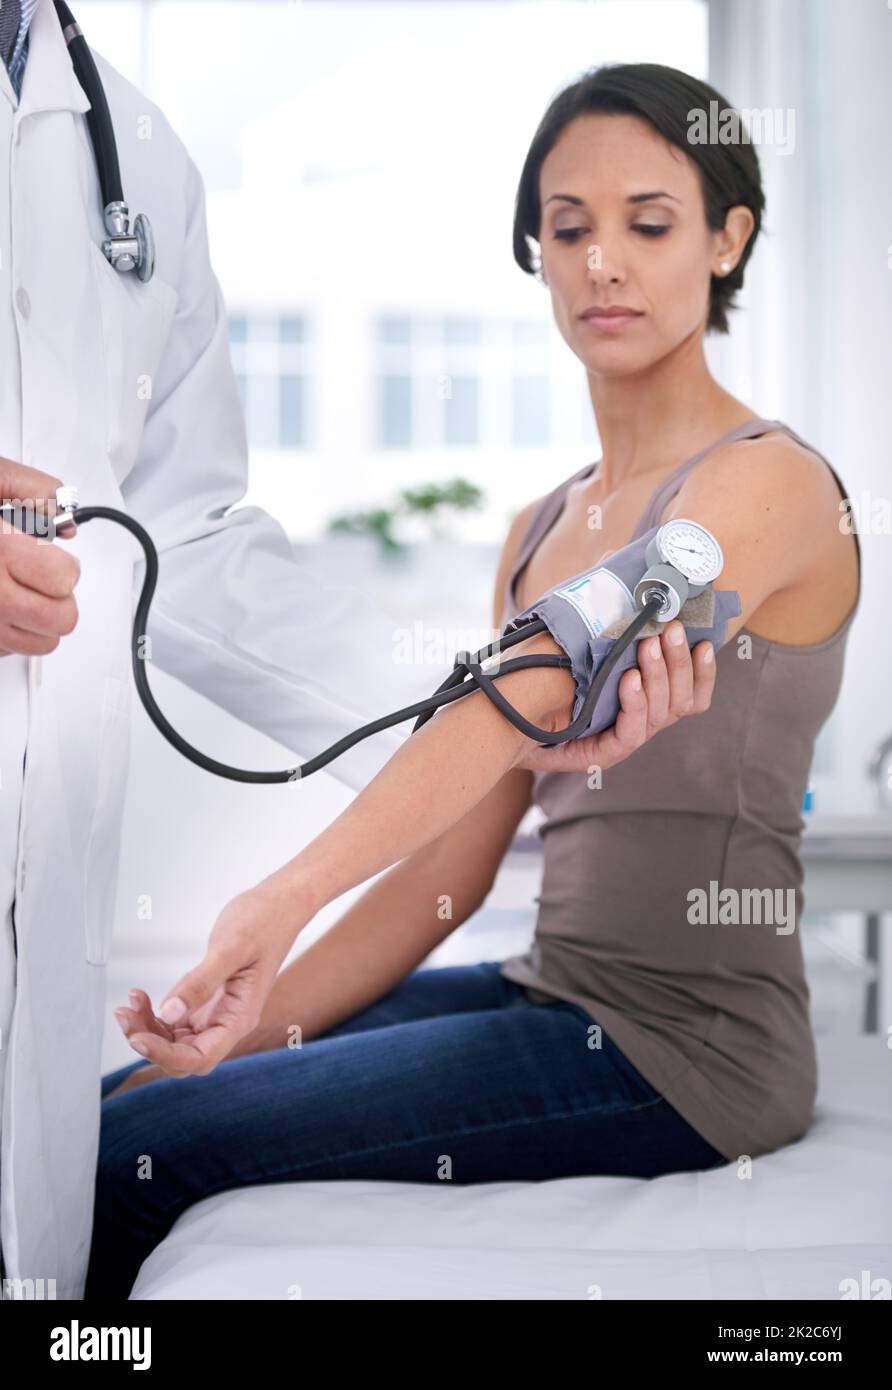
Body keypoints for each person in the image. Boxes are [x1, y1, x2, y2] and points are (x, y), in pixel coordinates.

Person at [86, 61, 861, 1299]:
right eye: (569, 228)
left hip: (687, 1054)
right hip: (545, 990)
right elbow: (453, 874)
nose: (603, 262)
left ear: (727, 239)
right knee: (121, 1099)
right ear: (535, 255)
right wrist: (254, 1016)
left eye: (649, 224)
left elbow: (552, 677)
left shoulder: (772, 484)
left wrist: (279, 896)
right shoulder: (541, 525)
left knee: (132, 1156)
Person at [0, 1, 617, 1301]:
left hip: (43, 903)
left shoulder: (136, 154)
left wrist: (492, 712)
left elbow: (186, 545)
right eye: (569, 226)